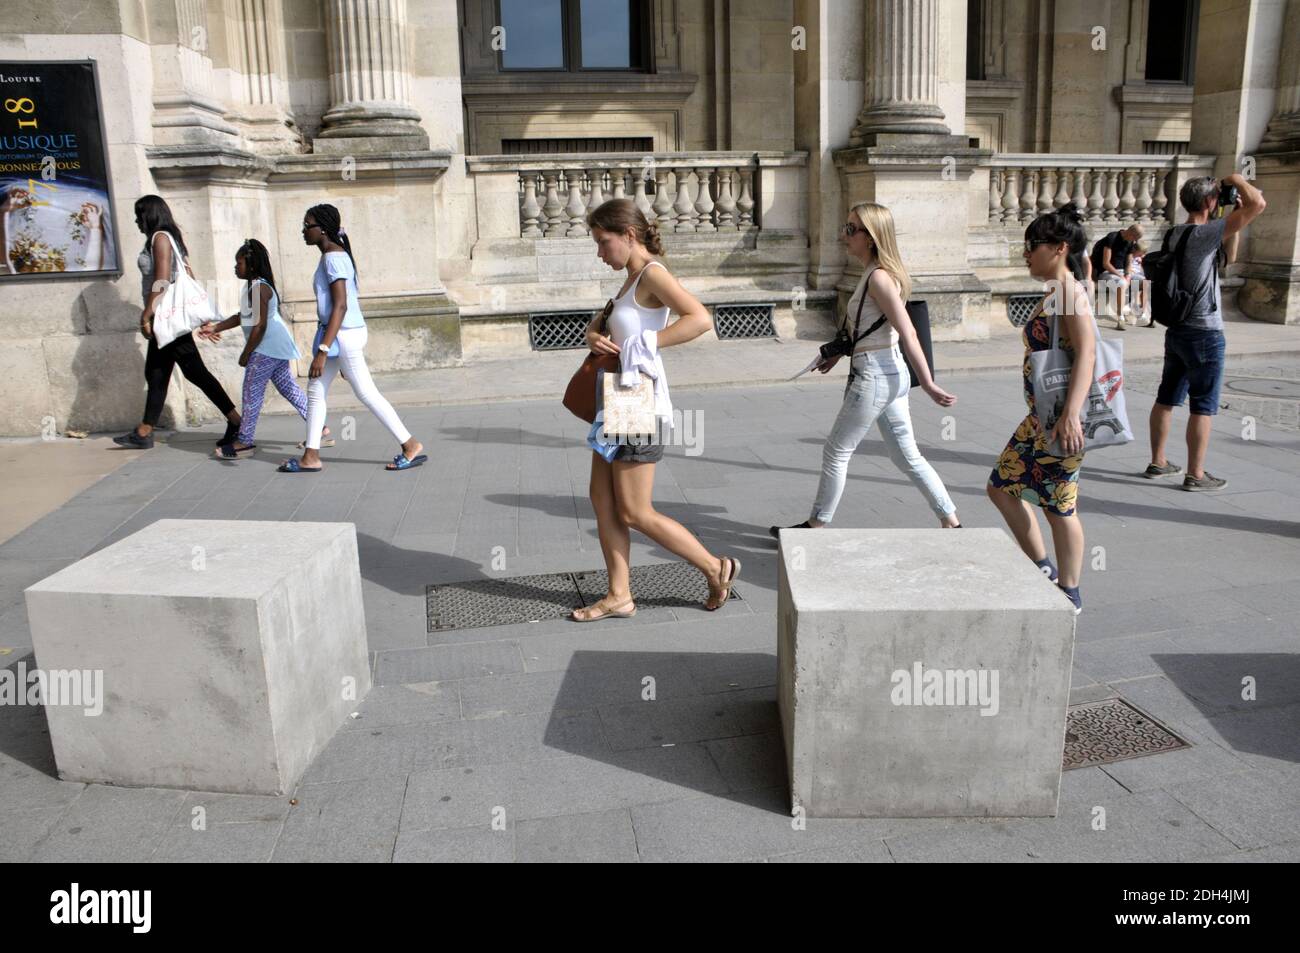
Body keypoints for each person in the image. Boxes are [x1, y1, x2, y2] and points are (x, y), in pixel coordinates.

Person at [571, 198, 742, 621]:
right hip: (615, 398)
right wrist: (594, 333)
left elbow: (699, 318)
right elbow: (607, 322)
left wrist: (644, 345)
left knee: (634, 510)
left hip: (636, 400)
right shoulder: (629, 279)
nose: (599, 252)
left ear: (629, 235)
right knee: (601, 498)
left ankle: (715, 567)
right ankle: (619, 595)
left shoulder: (652, 274)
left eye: (602, 241)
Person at [769, 202, 961, 538]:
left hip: (876, 376)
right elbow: (868, 330)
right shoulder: (872, 275)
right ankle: (951, 522)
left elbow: (908, 332)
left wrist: (929, 383)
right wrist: (837, 354)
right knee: (907, 457)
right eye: (846, 227)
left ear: (871, 238)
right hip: (886, 373)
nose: (844, 235)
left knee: (836, 452)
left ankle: (815, 526)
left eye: (851, 229)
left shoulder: (879, 279)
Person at [987, 202, 1097, 615]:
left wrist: (1071, 414)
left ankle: (1069, 590)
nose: (1026, 253)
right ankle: (1044, 570)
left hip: (1061, 421)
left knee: (1059, 505)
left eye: (1032, 245)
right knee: (1001, 487)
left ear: (1059, 247)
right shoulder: (1056, 291)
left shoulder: (1070, 292)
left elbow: (1087, 352)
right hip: (1041, 419)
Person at [279, 204, 424, 474]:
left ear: (322, 228)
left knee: (366, 392)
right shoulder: (333, 255)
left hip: (341, 335)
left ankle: (410, 444)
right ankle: (311, 456)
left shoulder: (333, 258)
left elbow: (341, 306)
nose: (303, 231)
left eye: (307, 225)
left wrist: (323, 350)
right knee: (315, 389)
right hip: (340, 334)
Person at [1145, 174, 1266, 490]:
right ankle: (1195, 474)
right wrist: (1237, 179)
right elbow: (1259, 203)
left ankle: (1158, 461)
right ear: (1210, 202)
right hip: (1205, 332)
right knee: (1203, 404)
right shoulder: (1205, 233)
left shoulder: (1176, 233)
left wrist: (1230, 221)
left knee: (1167, 397)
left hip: (1178, 330)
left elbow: (1228, 259)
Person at [112, 195, 240, 450]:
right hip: (168, 317)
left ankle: (237, 421)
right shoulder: (170, 238)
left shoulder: (160, 238)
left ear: (150, 215)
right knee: (157, 373)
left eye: (139, 216)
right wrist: (200, 316)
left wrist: (147, 312)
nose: (137, 222)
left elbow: (162, 279)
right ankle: (144, 430)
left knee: (195, 372)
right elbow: (188, 274)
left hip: (165, 317)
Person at [197, 239, 330, 458]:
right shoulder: (253, 286)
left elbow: (260, 325)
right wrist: (216, 327)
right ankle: (320, 429)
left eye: (238, 263)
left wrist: (246, 353)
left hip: (265, 348)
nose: (235, 267)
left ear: (251, 265)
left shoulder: (259, 288)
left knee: (251, 393)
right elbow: (243, 317)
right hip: (276, 347)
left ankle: (245, 442)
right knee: (289, 389)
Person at [1089, 223, 1142, 331]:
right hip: (1106, 272)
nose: (1135, 241)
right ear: (1130, 233)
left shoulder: (1130, 242)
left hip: (1122, 272)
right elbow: (1106, 263)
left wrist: (1127, 274)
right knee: (1121, 283)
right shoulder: (1112, 238)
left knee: (1144, 282)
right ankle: (1120, 317)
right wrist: (1121, 276)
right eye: (1135, 238)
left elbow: (1128, 262)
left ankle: (1139, 313)